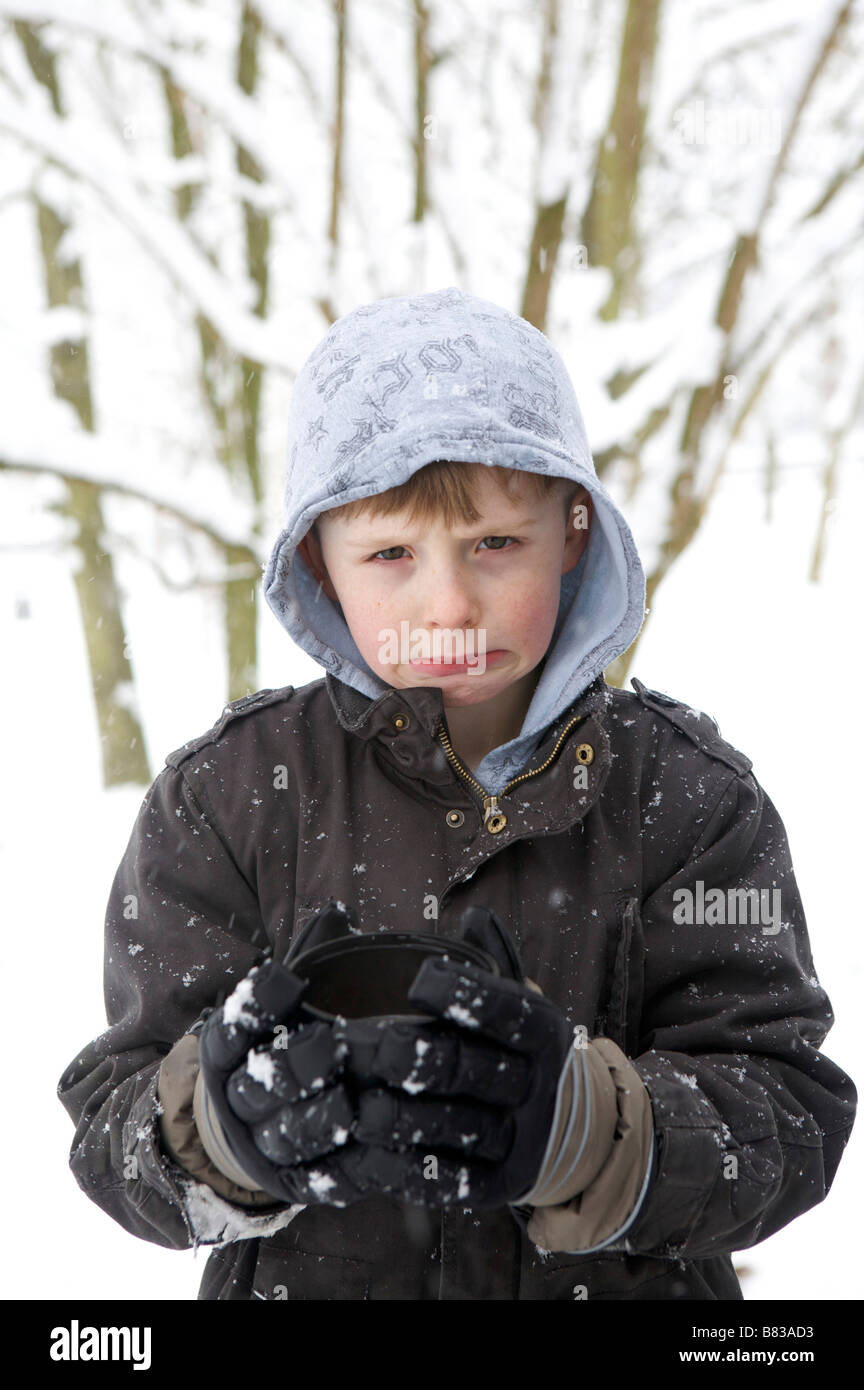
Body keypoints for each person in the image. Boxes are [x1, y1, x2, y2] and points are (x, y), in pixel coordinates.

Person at [58, 285, 856, 1301]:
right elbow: (115, 1119)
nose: (448, 602)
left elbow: (785, 1111)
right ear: (319, 560)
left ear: (571, 534)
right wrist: (220, 1125)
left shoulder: (689, 800)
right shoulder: (229, 796)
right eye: (391, 553)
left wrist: (583, 1131)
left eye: (495, 545)